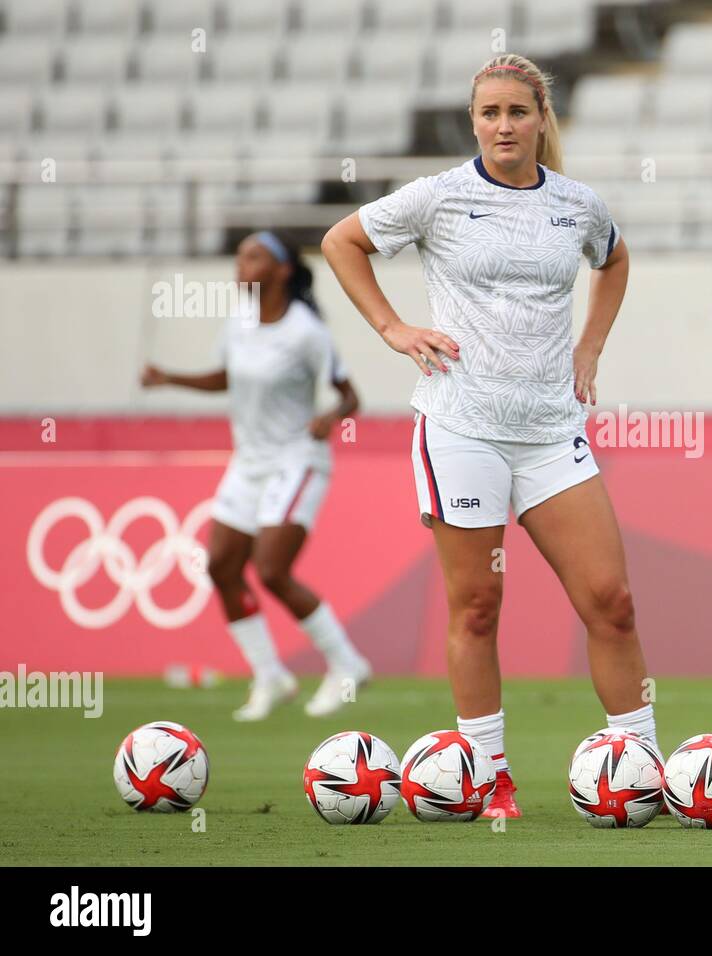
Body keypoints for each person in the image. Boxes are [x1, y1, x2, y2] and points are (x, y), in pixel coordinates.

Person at [321, 54, 654, 819]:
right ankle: (488, 777)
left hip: (550, 433)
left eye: (517, 112)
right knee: (476, 606)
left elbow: (616, 258)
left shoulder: (576, 205)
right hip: (460, 427)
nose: (503, 126)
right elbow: (343, 241)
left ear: (541, 120)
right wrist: (393, 327)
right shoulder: (439, 197)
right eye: (489, 114)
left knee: (612, 601)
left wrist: (591, 346)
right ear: (474, 123)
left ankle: (640, 766)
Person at [141, 230, 371, 721]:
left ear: (282, 269)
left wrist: (331, 418)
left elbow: (351, 395)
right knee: (222, 566)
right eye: (240, 256)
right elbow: (226, 375)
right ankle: (270, 675)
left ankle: (348, 663)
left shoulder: (306, 331)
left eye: (253, 256)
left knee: (270, 570)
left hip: (297, 460)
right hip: (248, 462)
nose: (240, 265)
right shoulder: (239, 322)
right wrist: (170, 377)